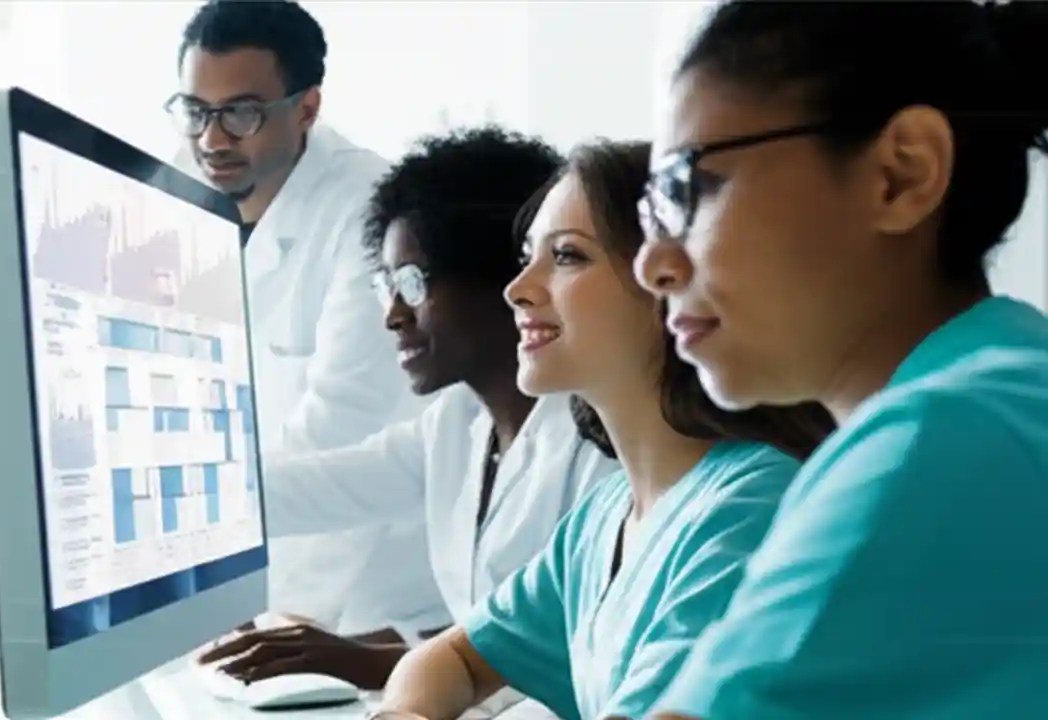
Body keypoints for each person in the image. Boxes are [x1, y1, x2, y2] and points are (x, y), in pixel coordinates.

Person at [630, 2, 1048, 719]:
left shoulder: (941, 437)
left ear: (901, 174)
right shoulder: (1006, 382)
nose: (652, 265)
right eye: (652, 212)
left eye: (687, 189)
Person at [372, 140, 835, 720]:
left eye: (566, 256)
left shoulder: (749, 507)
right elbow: (452, 659)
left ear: (669, 278)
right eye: (526, 256)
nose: (517, 289)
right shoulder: (603, 518)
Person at [195, 128, 619, 704]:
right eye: (386, 285)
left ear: (501, 279)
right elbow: (321, 486)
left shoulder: (601, 445)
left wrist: (368, 661)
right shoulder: (456, 424)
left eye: (413, 283)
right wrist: (168, 491)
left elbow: (576, 660)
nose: (393, 315)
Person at [166, 0, 441, 636]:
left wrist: (191, 522)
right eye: (195, 112)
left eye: (241, 113)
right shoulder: (177, 187)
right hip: (233, 559)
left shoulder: (370, 207)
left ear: (307, 108)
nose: (212, 139)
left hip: (357, 585)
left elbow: (340, 422)